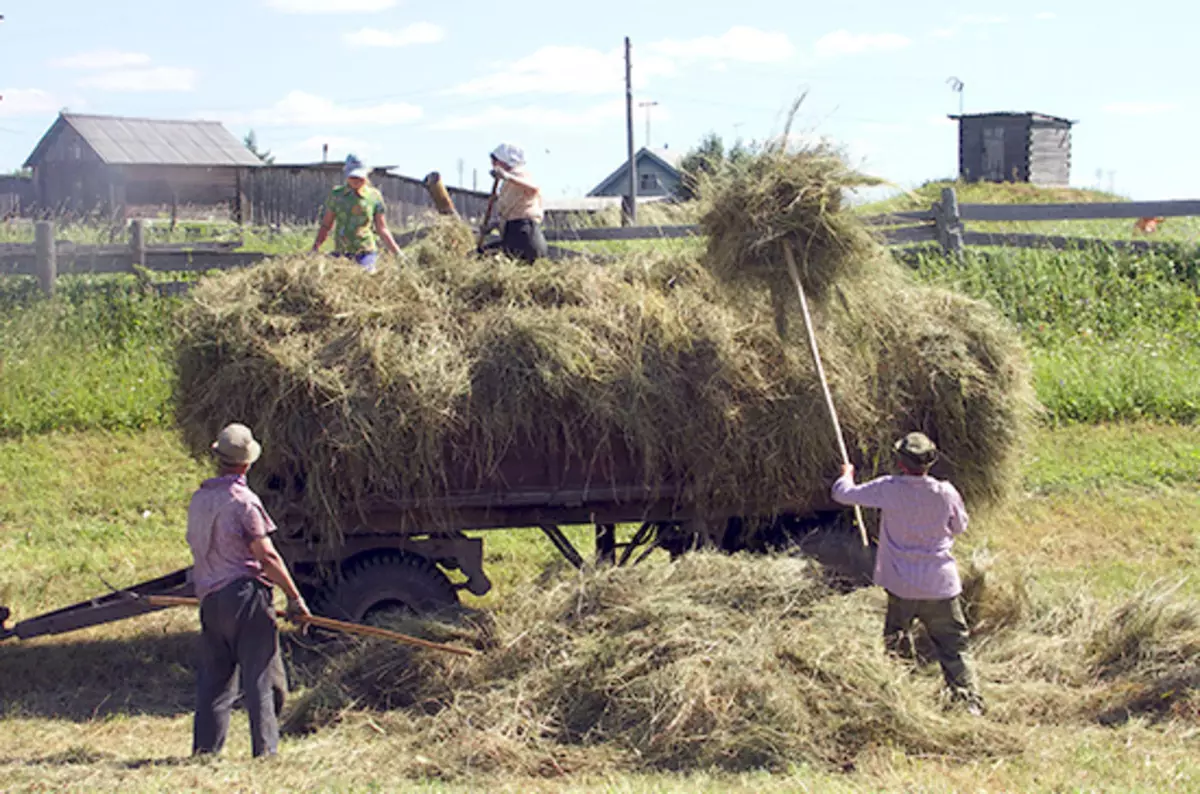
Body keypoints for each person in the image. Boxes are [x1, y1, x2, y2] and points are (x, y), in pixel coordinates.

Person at [831, 431, 983, 715]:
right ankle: (969, 703)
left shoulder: (889, 488)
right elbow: (960, 527)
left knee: (897, 641)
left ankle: (902, 702)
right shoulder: (946, 492)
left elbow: (843, 494)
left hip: (902, 584)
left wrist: (847, 474)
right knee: (954, 646)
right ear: (930, 462)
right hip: (940, 584)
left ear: (901, 462)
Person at [187, 423, 312, 758]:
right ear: (247, 464)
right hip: (245, 596)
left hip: (210, 598)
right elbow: (267, 555)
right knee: (259, 674)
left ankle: (205, 751)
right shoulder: (244, 502)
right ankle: (266, 751)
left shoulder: (199, 499)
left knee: (215, 678)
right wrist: (295, 597)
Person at [312, 155, 402, 272]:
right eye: (353, 176)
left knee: (367, 279)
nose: (356, 180)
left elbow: (382, 228)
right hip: (342, 253)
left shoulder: (374, 197)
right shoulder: (337, 195)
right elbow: (326, 225)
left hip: (365, 251)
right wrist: (315, 248)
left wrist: (397, 252)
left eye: (359, 177)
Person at [481, 142, 548, 263]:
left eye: (496, 161)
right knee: (480, 255)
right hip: (513, 233)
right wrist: (494, 225)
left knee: (482, 257)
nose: (493, 164)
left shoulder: (520, 175)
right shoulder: (507, 183)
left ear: (506, 161)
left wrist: (507, 176)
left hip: (525, 235)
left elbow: (533, 188)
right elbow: (511, 210)